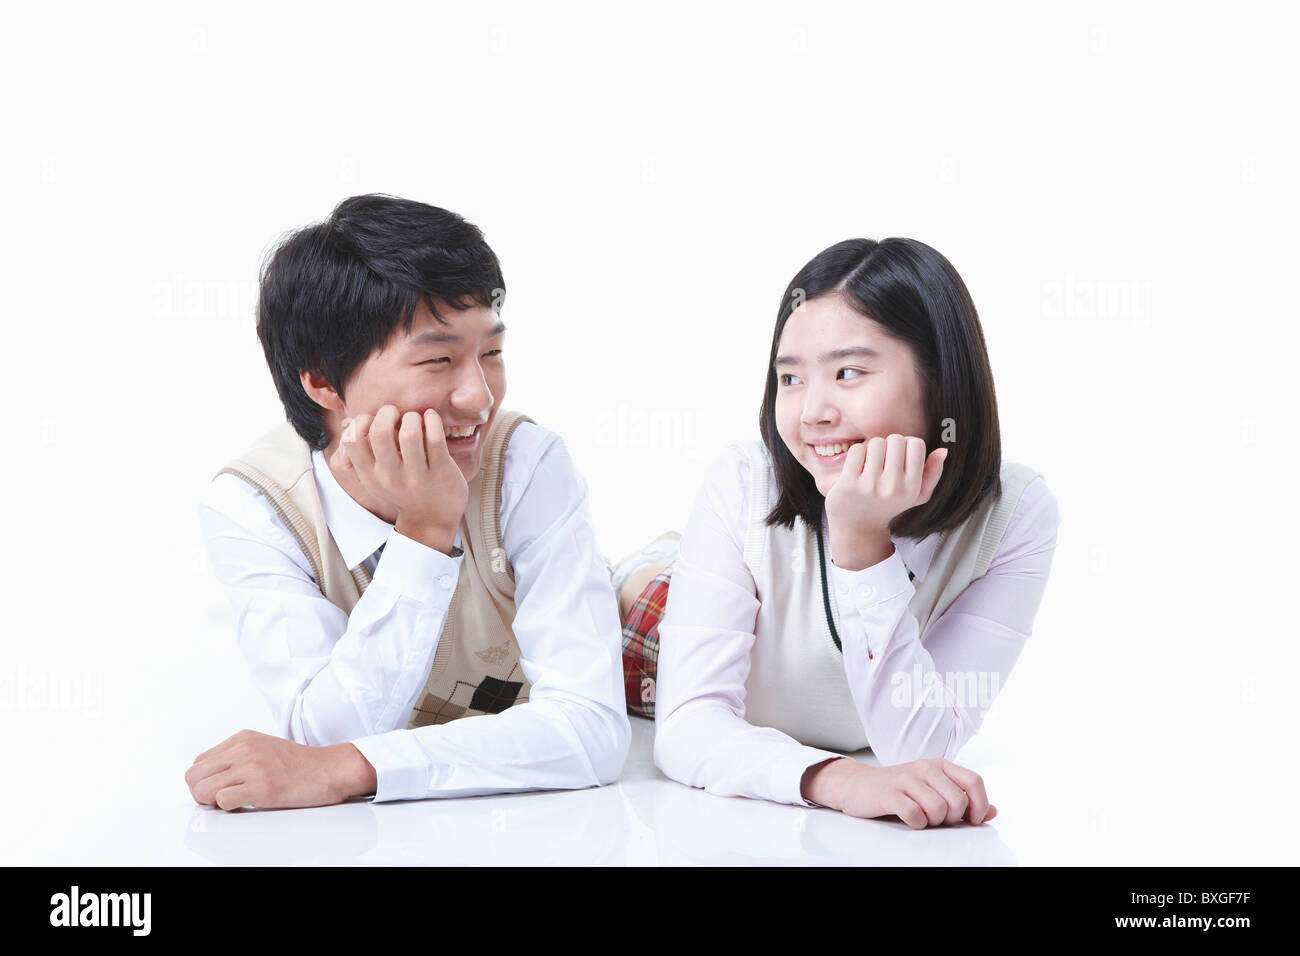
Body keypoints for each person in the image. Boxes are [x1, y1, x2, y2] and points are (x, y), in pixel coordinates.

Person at [186, 194, 630, 811]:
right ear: (320, 380)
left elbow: (594, 732)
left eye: (492, 354)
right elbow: (323, 734)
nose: (479, 397)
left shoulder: (525, 463)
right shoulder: (256, 506)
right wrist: (425, 532)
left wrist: (352, 768)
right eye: (438, 360)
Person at [614, 237, 1061, 829]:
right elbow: (687, 726)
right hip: (647, 616)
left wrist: (861, 547)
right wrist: (841, 779)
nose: (810, 413)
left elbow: (918, 748)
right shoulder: (744, 479)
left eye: (847, 372)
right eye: (791, 379)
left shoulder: (1016, 513)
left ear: (942, 380)